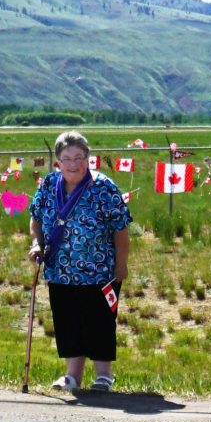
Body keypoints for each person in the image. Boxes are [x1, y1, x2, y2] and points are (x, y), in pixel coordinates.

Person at [27, 131, 133, 392]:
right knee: (67, 321)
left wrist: (121, 264)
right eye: (67, 158)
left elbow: (121, 229)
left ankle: (103, 376)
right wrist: (37, 243)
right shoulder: (48, 185)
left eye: (79, 157)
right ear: (57, 162)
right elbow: (35, 219)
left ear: (88, 159)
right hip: (60, 270)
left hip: (100, 271)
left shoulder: (104, 187)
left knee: (99, 321)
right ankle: (72, 376)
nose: (73, 164)